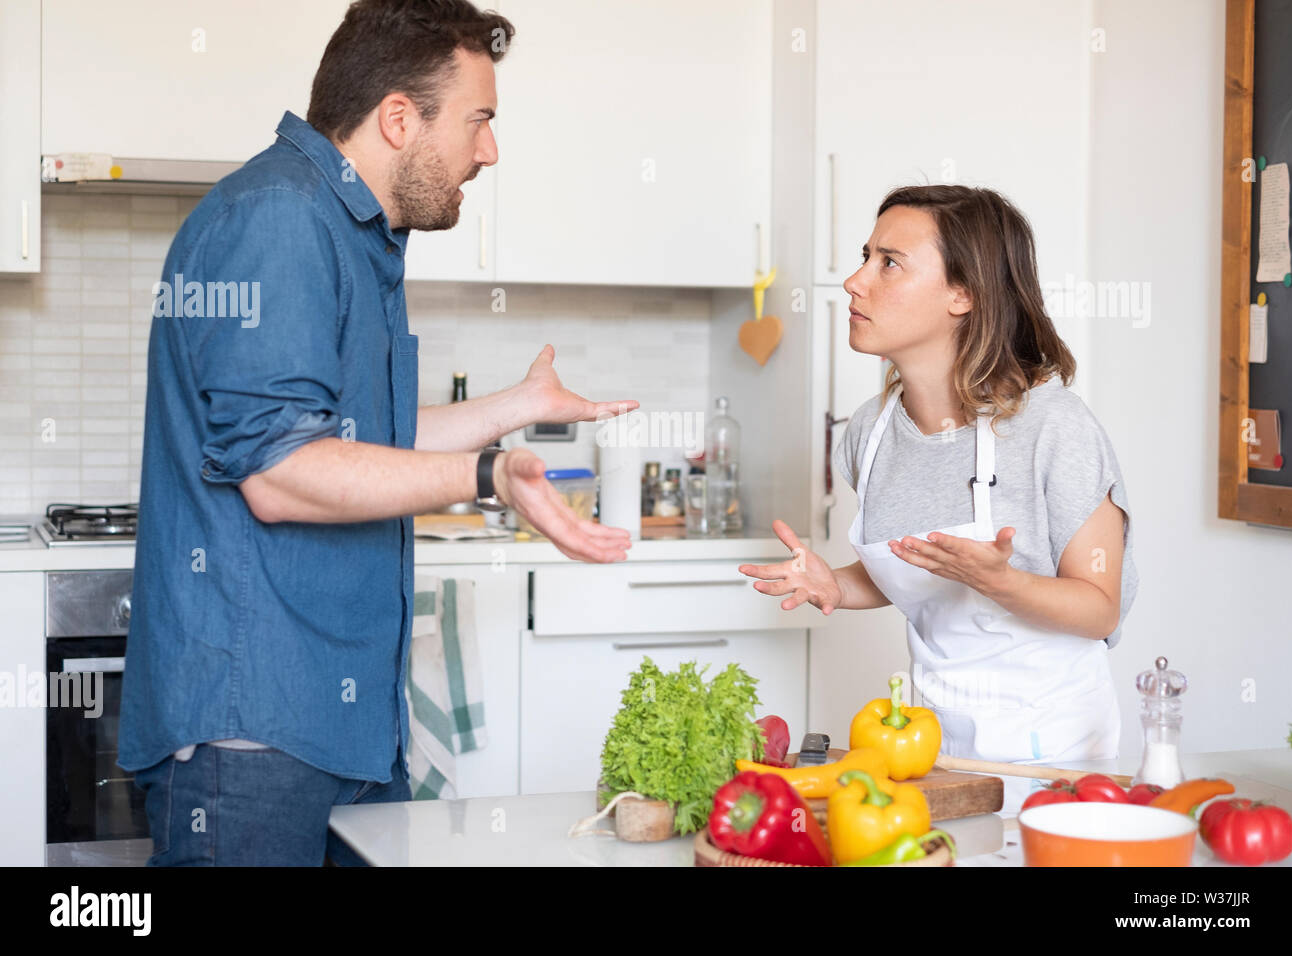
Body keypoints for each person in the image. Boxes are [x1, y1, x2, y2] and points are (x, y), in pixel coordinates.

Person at [120, 0, 637, 866]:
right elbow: (282, 473)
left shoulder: (349, 228)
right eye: (480, 122)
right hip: (255, 735)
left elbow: (357, 437)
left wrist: (512, 407)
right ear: (399, 117)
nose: (490, 151)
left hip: (338, 722)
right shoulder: (278, 221)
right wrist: (487, 475)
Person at [739, 184, 1137, 811]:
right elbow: (919, 569)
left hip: (1051, 756)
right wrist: (839, 586)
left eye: (888, 263)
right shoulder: (869, 435)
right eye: (865, 256)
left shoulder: (1054, 428)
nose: (853, 281)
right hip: (928, 747)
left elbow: (1100, 608)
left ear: (964, 292)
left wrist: (1003, 583)